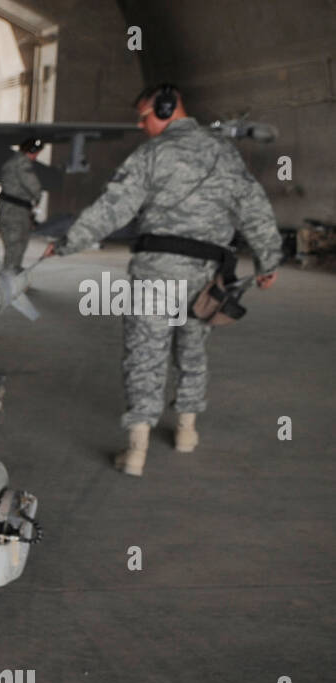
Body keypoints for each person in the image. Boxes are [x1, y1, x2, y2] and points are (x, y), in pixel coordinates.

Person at [45, 83, 282, 477]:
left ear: (167, 109)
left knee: (145, 356)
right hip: (207, 278)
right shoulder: (225, 152)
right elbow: (254, 206)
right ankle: (187, 432)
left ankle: (136, 451)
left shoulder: (151, 154)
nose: (142, 126)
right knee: (193, 350)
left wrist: (69, 242)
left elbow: (113, 207)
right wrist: (268, 261)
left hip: (157, 273)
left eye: (144, 118)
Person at [0, 137, 44, 273]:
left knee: (14, 243)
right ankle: (10, 272)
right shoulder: (22, 163)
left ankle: (12, 269)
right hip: (15, 210)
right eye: (36, 153)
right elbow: (33, 185)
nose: (36, 156)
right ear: (32, 150)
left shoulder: (13, 161)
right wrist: (37, 197)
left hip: (10, 207)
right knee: (16, 242)